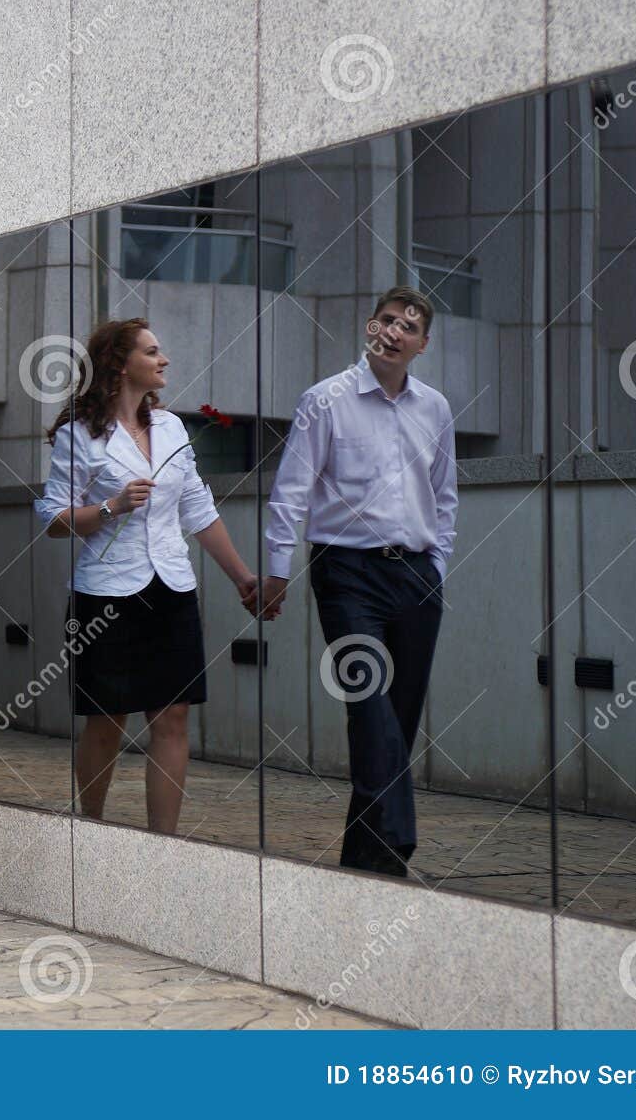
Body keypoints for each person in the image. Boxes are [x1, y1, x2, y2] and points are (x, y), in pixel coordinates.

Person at [36, 318, 260, 835]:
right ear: (120, 362)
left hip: (172, 590)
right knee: (107, 720)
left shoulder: (174, 429)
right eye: (152, 351)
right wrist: (110, 507)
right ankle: (89, 828)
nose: (163, 360)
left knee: (173, 717)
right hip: (106, 597)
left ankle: (163, 845)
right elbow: (52, 519)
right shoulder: (78, 437)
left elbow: (198, 509)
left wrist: (242, 577)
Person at [262, 286, 457, 878]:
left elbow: (444, 497)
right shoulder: (325, 401)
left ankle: (363, 860)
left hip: (416, 577)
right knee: (369, 707)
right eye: (387, 320)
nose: (396, 331)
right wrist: (275, 570)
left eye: (410, 326)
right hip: (347, 573)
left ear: (423, 345)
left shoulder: (436, 410)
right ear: (370, 327)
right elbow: (290, 491)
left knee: (396, 719)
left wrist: (437, 565)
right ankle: (396, 840)